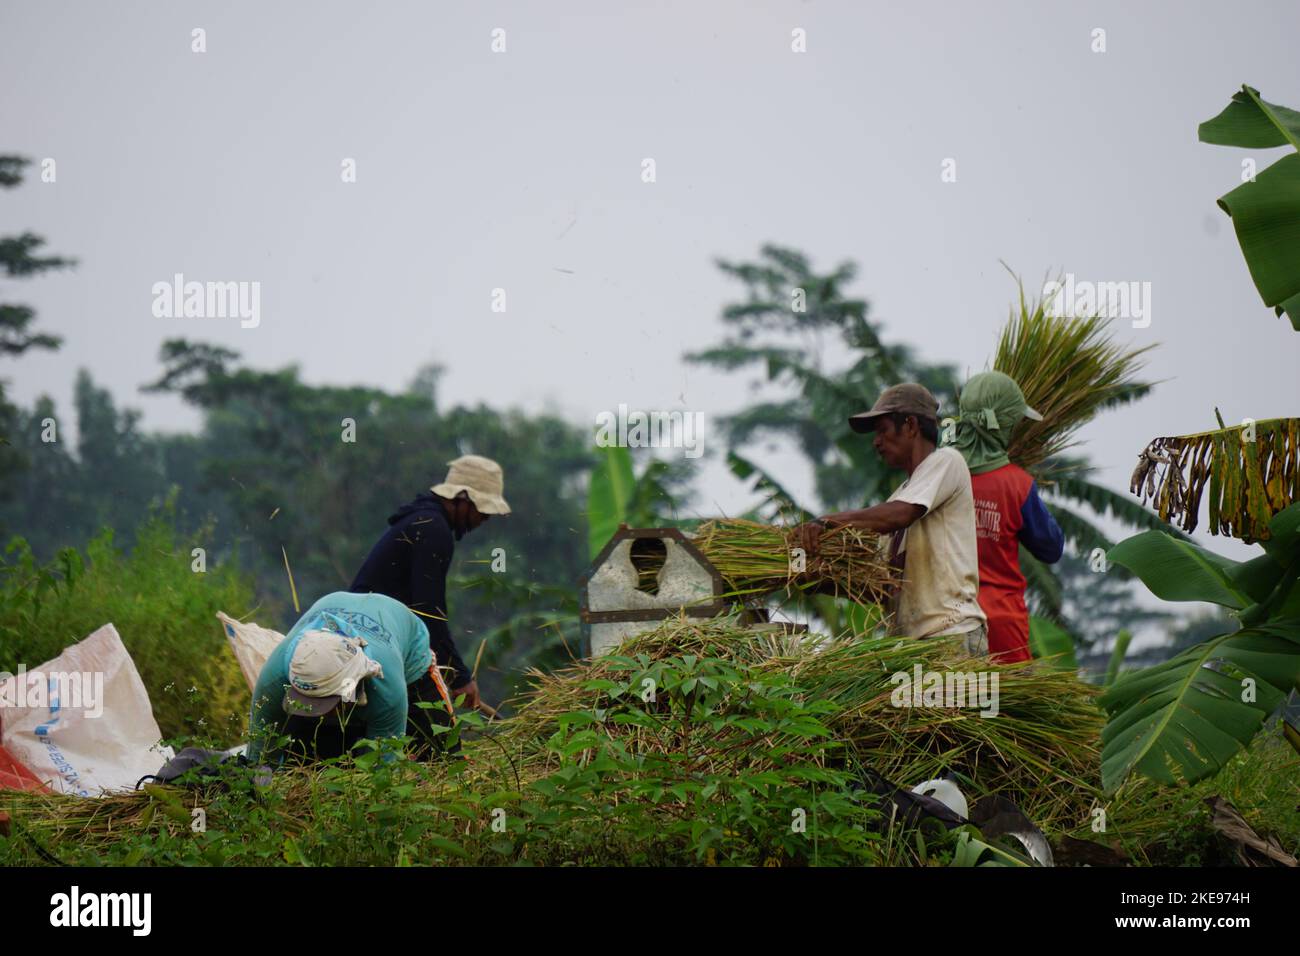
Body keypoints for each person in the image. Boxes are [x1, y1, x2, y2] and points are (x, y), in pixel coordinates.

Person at [796, 383, 988, 652]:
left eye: (882, 430)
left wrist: (825, 522)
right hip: (912, 647)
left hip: (950, 635)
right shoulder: (900, 498)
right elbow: (882, 588)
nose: (876, 441)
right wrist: (810, 576)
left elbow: (901, 514)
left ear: (910, 426)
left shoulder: (946, 462)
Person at [351, 455, 510, 714]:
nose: (485, 518)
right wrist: (459, 677)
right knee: (437, 735)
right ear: (463, 499)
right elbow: (428, 612)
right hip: (371, 639)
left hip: (375, 634)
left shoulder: (422, 521)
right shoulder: (432, 529)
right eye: (484, 509)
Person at [246, 591, 455, 764]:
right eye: (310, 702)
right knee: (305, 764)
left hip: (408, 657)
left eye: (326, 703)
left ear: (351, 686)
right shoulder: (273, 679)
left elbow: (382, 768)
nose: (319, 713)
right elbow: (260, 757)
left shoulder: (386, 687)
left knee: (442, 758)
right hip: (332, 604)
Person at [951, 371, 1064, 663]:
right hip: (1002, 627)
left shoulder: (938, 476)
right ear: (1003, 424)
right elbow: (1051, 548)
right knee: (1007, 707)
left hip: (944, 624)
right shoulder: (1017, 484)